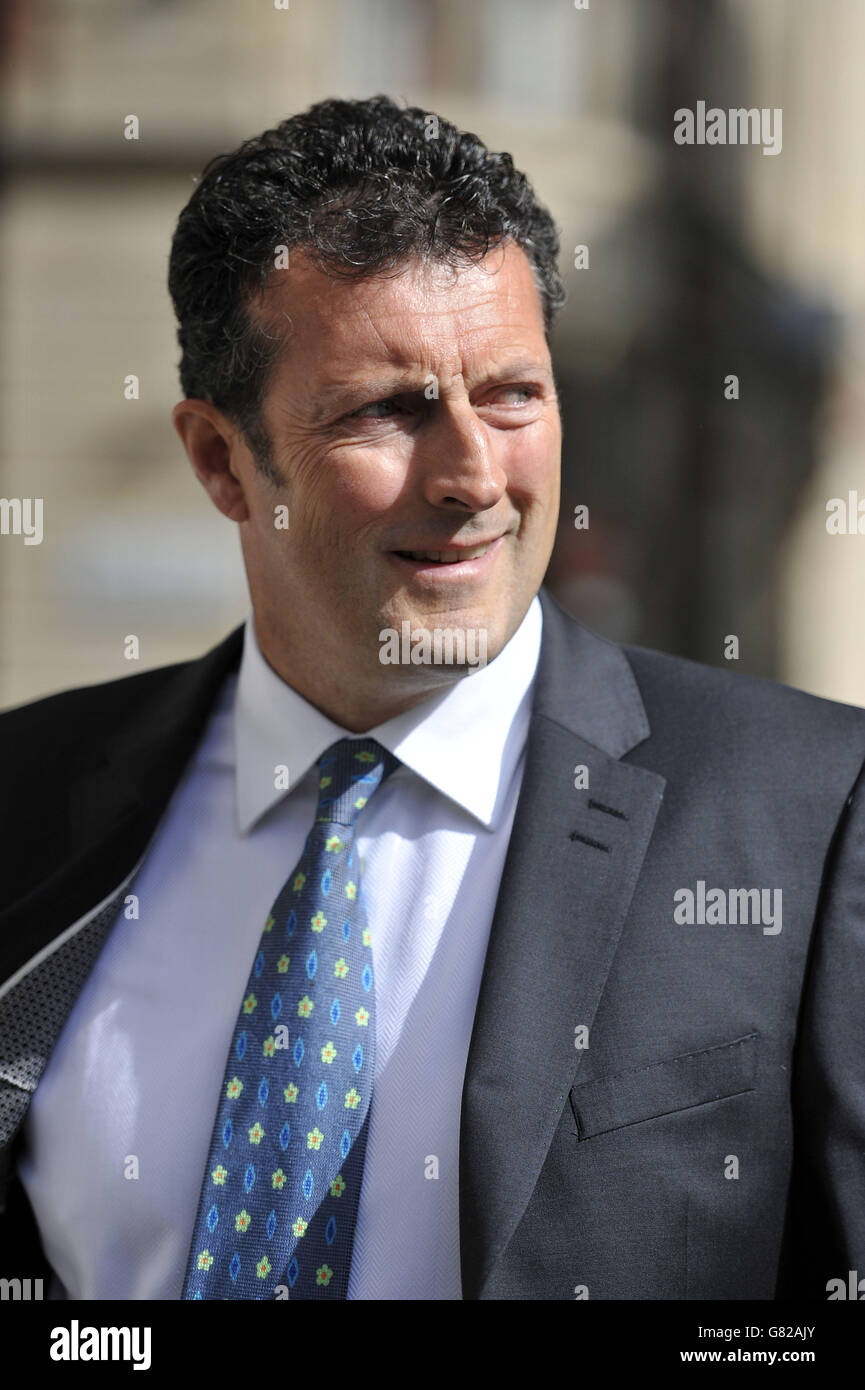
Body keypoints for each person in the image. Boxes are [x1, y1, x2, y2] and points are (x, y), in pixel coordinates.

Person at [1, 94, 863, 1302]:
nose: (472, 477)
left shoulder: (806, 815)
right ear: (219, 460)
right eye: (387, 410)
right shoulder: (31, 805)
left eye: (512, 393)